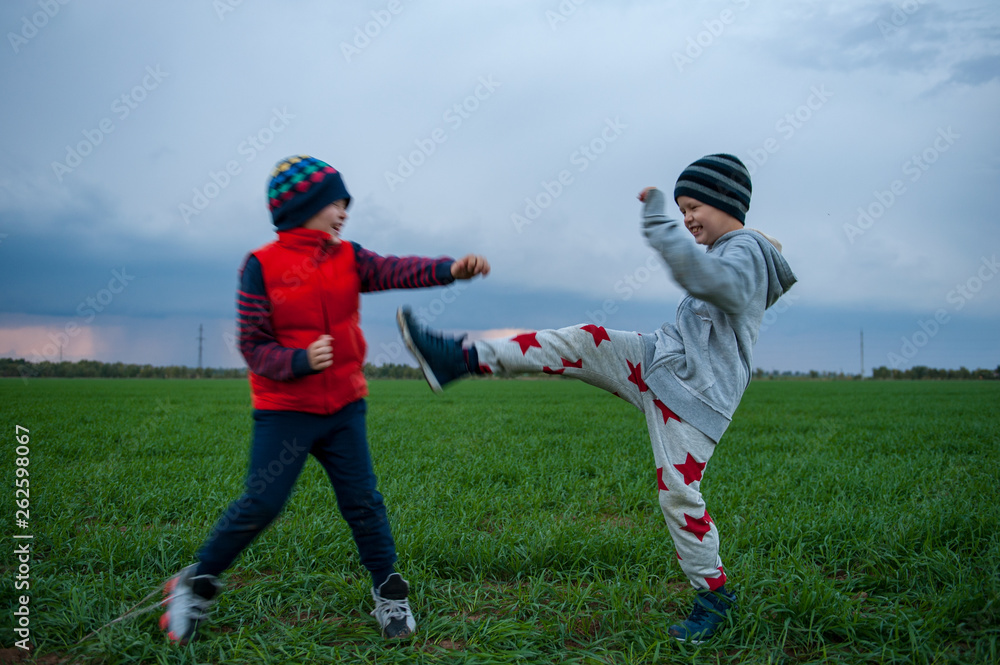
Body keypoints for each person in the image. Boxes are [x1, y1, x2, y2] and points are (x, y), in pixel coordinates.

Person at [397, 154, 796, 644]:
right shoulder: (734, 250)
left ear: (726, 202)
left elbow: (710, 282)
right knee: (584, 340)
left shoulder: (745, 253)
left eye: (693, 207)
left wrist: (658, 223)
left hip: (693, 400)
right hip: (658, 360)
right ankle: (456, 359)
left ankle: (714, 596)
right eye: (681, 209)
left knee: (679, 495)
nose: (687, 217)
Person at [159, 155, 490, 644]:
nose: (344, 211)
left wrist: (450, 270)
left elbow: (396, 269)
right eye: (336, 201)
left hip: (343, 408)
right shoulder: (260, 266)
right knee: (261, 503)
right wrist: (298, 361)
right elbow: (251, 345)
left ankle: (389, 592)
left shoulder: (348, 257)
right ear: (303, 205)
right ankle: (196, 584)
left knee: (364, 503)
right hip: (285, 413)